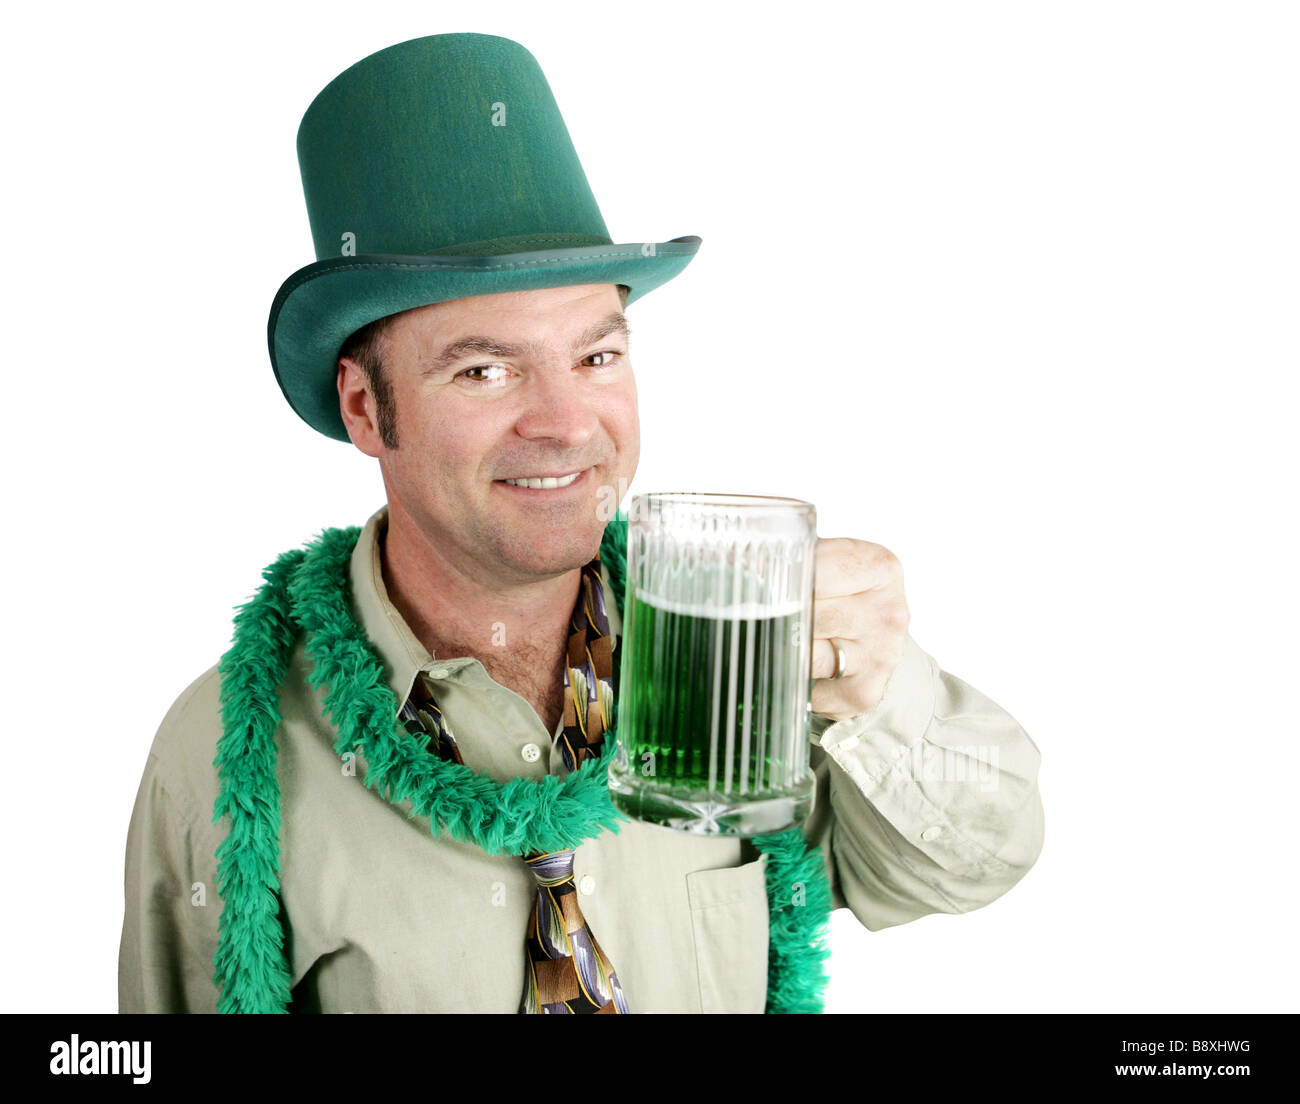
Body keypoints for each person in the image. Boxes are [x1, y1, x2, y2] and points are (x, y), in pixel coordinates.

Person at [118, 32, 1044, 1014]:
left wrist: (876, 688)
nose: (567, 424)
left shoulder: (742, 652)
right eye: (484, 370)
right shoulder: (230, 746)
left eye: (597, 358)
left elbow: (970, 865)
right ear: (364, 408)